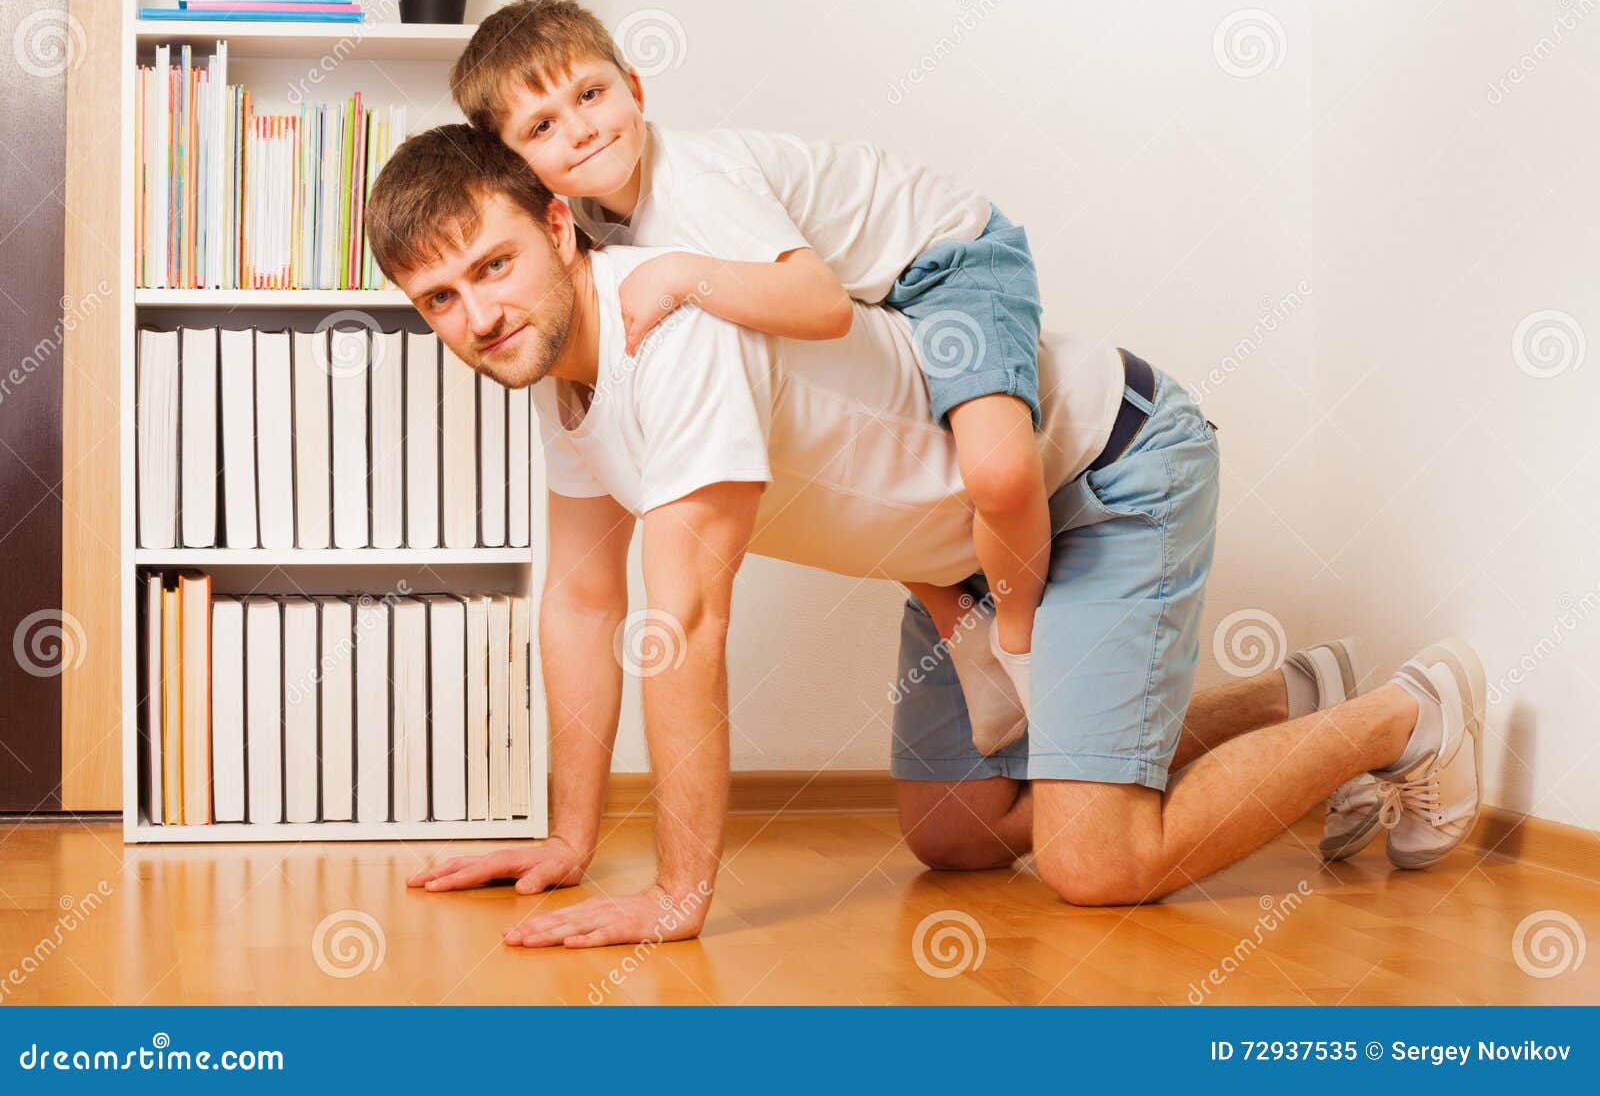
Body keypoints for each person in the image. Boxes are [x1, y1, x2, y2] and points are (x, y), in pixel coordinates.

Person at [367, 125, 1487, 950]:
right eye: (439, 300)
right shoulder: (563, 381)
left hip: (1104, 471)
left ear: (559, 226)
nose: (478, 316)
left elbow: (687, 620)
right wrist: (567, 839)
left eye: (494, 266)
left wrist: (677, 893)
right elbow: (579, 600)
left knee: (1095, 863)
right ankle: (1297, 699)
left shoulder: (676, 330)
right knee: (956, 828)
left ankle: (1411, 711)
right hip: (965, 556)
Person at [446, 0, 1060, 752]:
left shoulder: (693, 182)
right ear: (522, 172)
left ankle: (1019, 641)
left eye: (592, 94)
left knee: (997, 474)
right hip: (878, 288)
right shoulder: (590, 220)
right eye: (542, 126)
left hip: (947, 260)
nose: (579, 130)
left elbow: (823, 306)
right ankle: (955, 621)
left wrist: (682, 274)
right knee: (826, 462)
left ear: (635, 89)